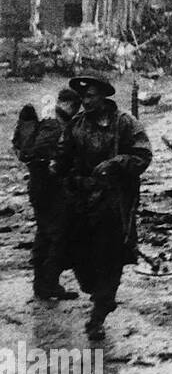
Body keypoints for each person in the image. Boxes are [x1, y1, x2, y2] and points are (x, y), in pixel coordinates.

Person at [54, 73, 152, 340]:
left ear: (103, 96)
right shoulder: (76, 125)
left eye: (90, 96)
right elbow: (63, 157)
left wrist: (117, 163)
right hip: (83, 201)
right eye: (83, 97)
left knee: (110, 258)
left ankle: (98, 314)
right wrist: (56, 168)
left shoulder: (124, 124)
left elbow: (143, 155)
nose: (85, 101)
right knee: (79, 259)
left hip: (113, 203)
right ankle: (101, 294)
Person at [11, 88, 81, 300]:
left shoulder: (51, 123)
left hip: (42, 186)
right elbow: (40, 156)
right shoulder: (55, 125)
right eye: (76, 106)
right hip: (48, 187)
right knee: (57, 236)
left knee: (45, 234)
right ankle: (48, 285)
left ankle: (43, 284)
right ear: (68, 104)